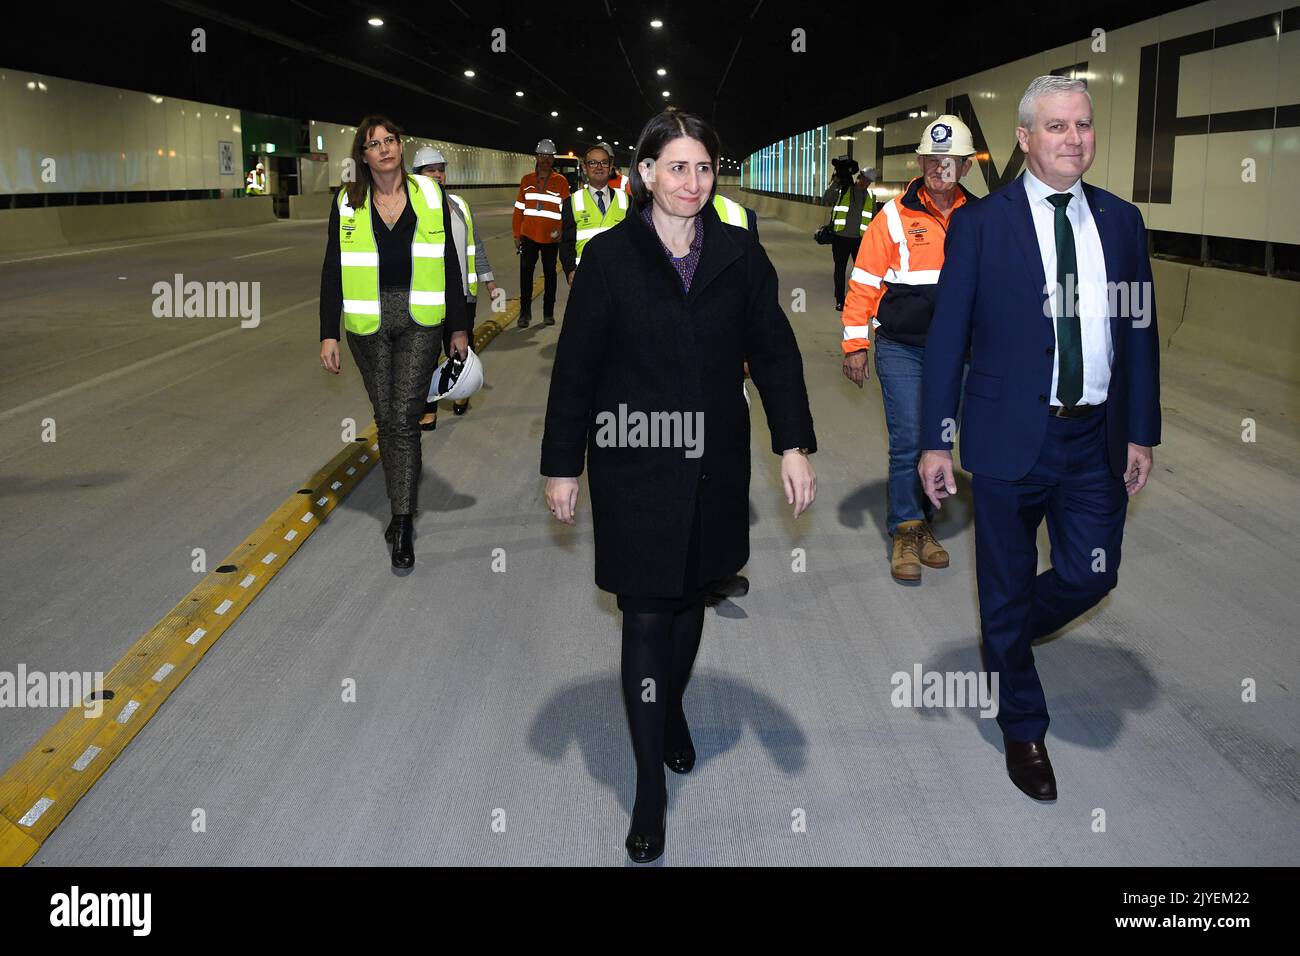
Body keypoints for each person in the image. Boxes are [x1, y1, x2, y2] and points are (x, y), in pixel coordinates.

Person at [541, 110, 817, 864]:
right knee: (644, 611)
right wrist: (562, 464)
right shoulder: (609, 258)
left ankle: (669, 712)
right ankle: (650, 787)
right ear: (645, 174)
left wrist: (792, 443)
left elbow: (777, 355)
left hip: (716, 461)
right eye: (676, 168)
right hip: (633, 459)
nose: (691, 183)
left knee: (693, 593)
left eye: (703, 169)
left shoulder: (739, 255)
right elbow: (576, 371)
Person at [918, 76, 1161, 801]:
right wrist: (935, 438)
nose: (1073, 139)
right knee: (1003, 576)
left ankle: (1007, 634)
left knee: (1093, 573)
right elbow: (946, 338)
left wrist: (1141, 431)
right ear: (1025, 138)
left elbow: (1140, 336)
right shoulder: (982, 224)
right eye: (1056, 127)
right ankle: (1023, 725)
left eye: (1082, 125)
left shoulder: (1121, 222)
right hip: (1004, 437)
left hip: (1094, 439)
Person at [318, 116, 468, 569]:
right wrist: (328, 331)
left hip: (420, 319)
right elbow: (332, 268)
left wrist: (457, 327)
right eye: (373, 144)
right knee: (387, 418)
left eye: (390, 140)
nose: (384, 149)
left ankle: (402, 522)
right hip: (368, 323)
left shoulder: (429, 194)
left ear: (400, 147)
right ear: (362, 156)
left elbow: (449, 262)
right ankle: (401, 502)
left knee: (404, 416)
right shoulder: (347, 202)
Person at [841, 116, 977, 583]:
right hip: (903, 349)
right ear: (920, 161)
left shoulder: (978, 217)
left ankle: (926, 526)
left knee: (938, 442)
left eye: (951, 160)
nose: (941, 167)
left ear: (965, 166)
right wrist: (855, 343)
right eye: (933, 159)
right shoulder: (893, 217)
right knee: (907, 442)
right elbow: (863, 283)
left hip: (958, 354)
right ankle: (905, 528)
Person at [412, 145, 497, 427]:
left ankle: (460, 390)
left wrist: (488, 280)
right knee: (425, 355)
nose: (437, 175)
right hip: (428, 295)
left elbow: (476, 245)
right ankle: (429, 407)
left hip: (461, 292)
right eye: (430, 170)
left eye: (440, 170)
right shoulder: (411, 209)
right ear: (417, 175)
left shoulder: (459, 205)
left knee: (460, 346)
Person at [512, 138, 570, 327]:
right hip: (528, 236)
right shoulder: (526, 180)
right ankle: (525, 313)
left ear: (553, 159)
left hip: (551, 238)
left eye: (549, 156)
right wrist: (516, 235)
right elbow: (519, 210)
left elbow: (566, 211)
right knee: (525, 275)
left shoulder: (561, 182)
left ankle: (548, 313)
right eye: (542, 155)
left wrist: (561, 231)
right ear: (536, 157)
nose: (545, 159)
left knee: (550, 275)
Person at [560, 143, 629, 286]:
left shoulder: (627, 200)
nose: (599, 167)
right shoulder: (571, 202)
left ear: (610, 168)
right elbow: (567, 243)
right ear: (584, 168)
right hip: (584, 275)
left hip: (620, 276)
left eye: (604, 163)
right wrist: (570, 270)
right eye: (593, 163)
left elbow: (635, 240)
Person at [821, 156, 875, 311]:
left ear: (870, 183)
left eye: (867, 181)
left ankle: (860, 299)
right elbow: (826, 199)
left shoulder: (871, 197)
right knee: (840, 270)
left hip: (859, 240)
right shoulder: (843, 190)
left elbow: (874, 220)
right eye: (862, 178)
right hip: (841, 238)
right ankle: (840, 300)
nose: (864, 182)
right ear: (858, 177)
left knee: (862, 272)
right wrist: (836, 181)